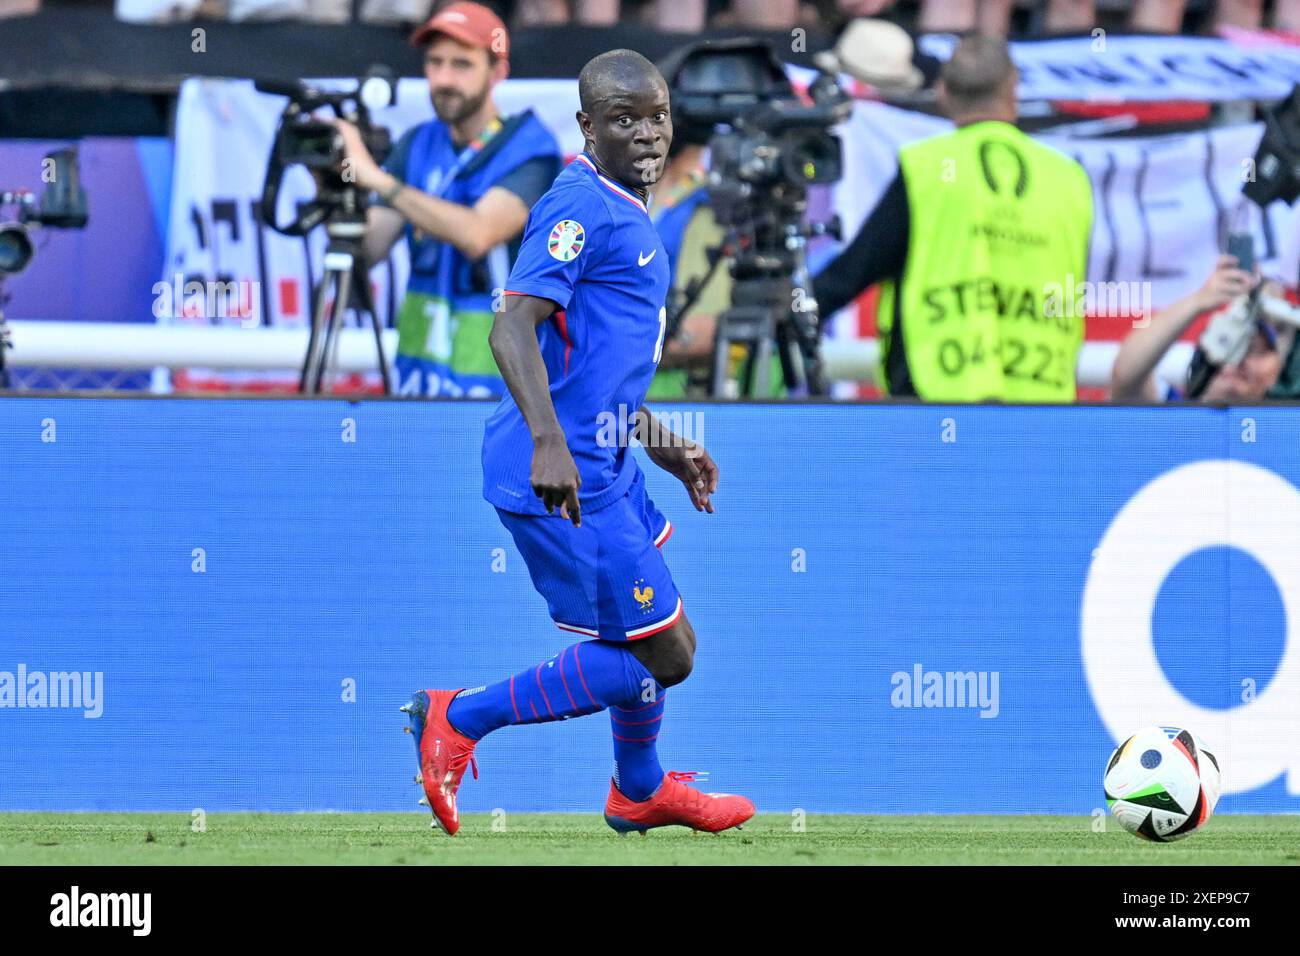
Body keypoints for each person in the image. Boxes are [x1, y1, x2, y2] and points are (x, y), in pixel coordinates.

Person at [401, 50, 755, 836]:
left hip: (608, 458)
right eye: (623, 120)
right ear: (588, 127)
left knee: (645, 633)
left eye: (657, 116)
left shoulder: (628, 208)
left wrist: (659, 438)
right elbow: (511, 326)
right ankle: (459, 717)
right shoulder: (577, 209)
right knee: (669, 655)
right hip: (563, 471)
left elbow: (592, 365)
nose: (646, 134)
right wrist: (548, 444)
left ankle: (638, 789)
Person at [812, 34, 1093, 402]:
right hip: (1043, 404)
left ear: (943, 92)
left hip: (935, 400)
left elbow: (852, 273)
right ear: (1014, 88)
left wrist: (783, 311)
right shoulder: (1067, 177)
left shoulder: (926, 168)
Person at [330, 1, 561, 397]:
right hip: (420, 377)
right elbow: (371, 246)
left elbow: (478, 233)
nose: (443, 78)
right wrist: (335, 185)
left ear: (498, 71)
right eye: (434, 63)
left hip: (500, 386)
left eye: (462, 64)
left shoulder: (531, 146)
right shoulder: (417, 143)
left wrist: (374, 178)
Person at [1110, 254, 1296, 402]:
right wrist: (1198, 301)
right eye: (1228, 339)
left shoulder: (1286, 434)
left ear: (1279, 370)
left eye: (1256, 350)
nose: (1238, 360)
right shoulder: (1176, 415)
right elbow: (1126, 375)